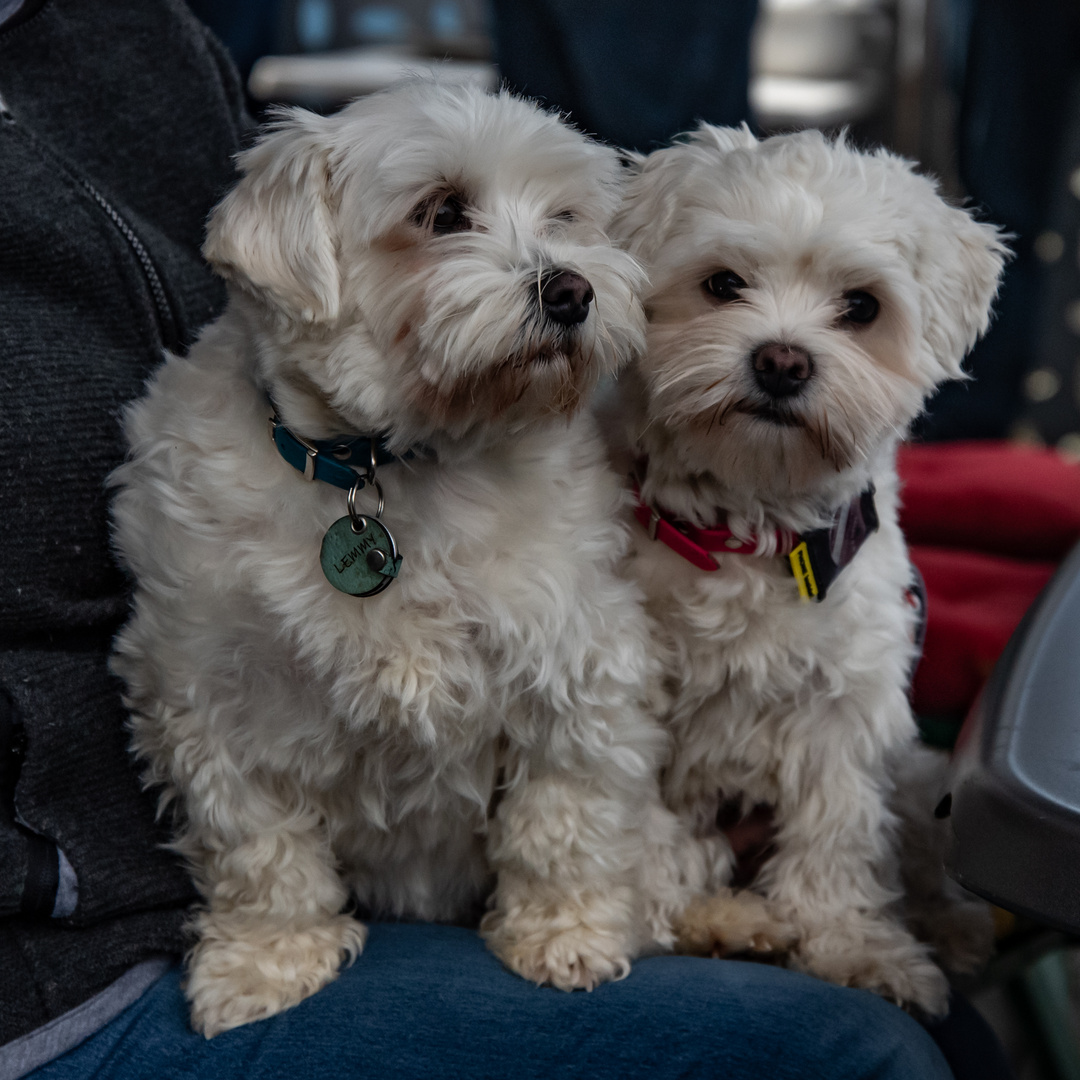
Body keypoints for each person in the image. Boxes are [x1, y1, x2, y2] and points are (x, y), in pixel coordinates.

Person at [0, 2, 964, 1077]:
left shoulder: (133, 37)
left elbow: (583, 720)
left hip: (518, 873)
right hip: (87, 959)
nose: (553, 270)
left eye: (565, 222)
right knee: (862, 1051)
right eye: (446, 213)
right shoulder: (205, 476)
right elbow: (202, 722)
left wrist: (565, 891)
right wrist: (268, 914)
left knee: (944, 1006)